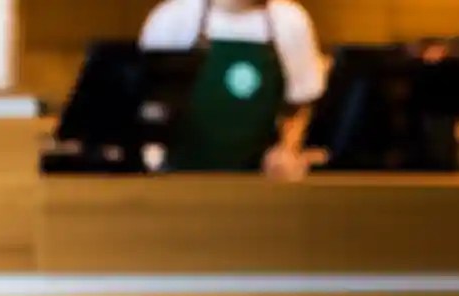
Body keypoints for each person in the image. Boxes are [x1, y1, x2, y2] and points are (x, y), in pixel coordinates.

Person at [140, 0, 326, 179]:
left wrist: (287, 149)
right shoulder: (172, 18)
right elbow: (148, 104)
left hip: (259, 186)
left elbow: (299, 104)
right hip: (178, 181)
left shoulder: (289, 21)